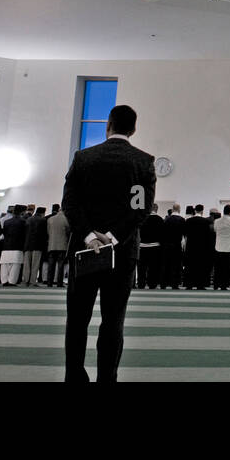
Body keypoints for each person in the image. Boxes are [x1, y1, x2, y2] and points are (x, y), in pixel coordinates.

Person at [61, 103, 155, 383]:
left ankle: (74, 377)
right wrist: (112, 238)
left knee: (77, 319)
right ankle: (107, 378)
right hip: (123, 252)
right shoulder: (142, 162)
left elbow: (70, 203)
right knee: (113, 321)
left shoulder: (83, 158)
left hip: (84, 251)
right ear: (134, 129)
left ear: (108, 125)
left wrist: (90, 235)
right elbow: (140, 209)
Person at [185, 205, 214, 290]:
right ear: (202, 211)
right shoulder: (205, 221)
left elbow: (185, 234)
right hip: (202, 247)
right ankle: (200, 284)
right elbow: (208, 236)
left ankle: (189, 284)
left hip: (191, 246)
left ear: (195, 210)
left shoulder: (189, 221)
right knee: (201, 267)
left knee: (190, 266)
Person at [137, 203, 163, 289]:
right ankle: (152, 284)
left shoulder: (142, 219)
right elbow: (162, 235)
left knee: (141, 268)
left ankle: (141, 284)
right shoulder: (160, 220)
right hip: (155, 246)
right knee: (153, 267)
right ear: (157, 209)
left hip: (142, 246)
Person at [160, 204, 185, 289]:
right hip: (177, 245)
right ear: (179, 209)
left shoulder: (166, 219)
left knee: (166, 265)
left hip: (166, 245)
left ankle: (163, 283)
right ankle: (175, 284)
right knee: (176, 265)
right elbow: (184, 234)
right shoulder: (182, 220)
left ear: (172, 209)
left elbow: (162, 233)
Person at [23, 204, 49, 287]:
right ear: (43, 213)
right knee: (35, 264)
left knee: (27, 264)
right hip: (37, 245)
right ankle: (32, 281)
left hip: (27, 245)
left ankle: (26, 280)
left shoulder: (29, 219)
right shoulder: (43, 220)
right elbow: (45, 234)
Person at [46, 204, 70, 287]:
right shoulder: (66, 219)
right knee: (60, 265)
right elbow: (68, 232)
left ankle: (49, 282)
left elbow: (48, 232)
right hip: (62, 245)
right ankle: (59, 283)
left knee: (51, 265)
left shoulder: (50, 219)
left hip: (52, 245)